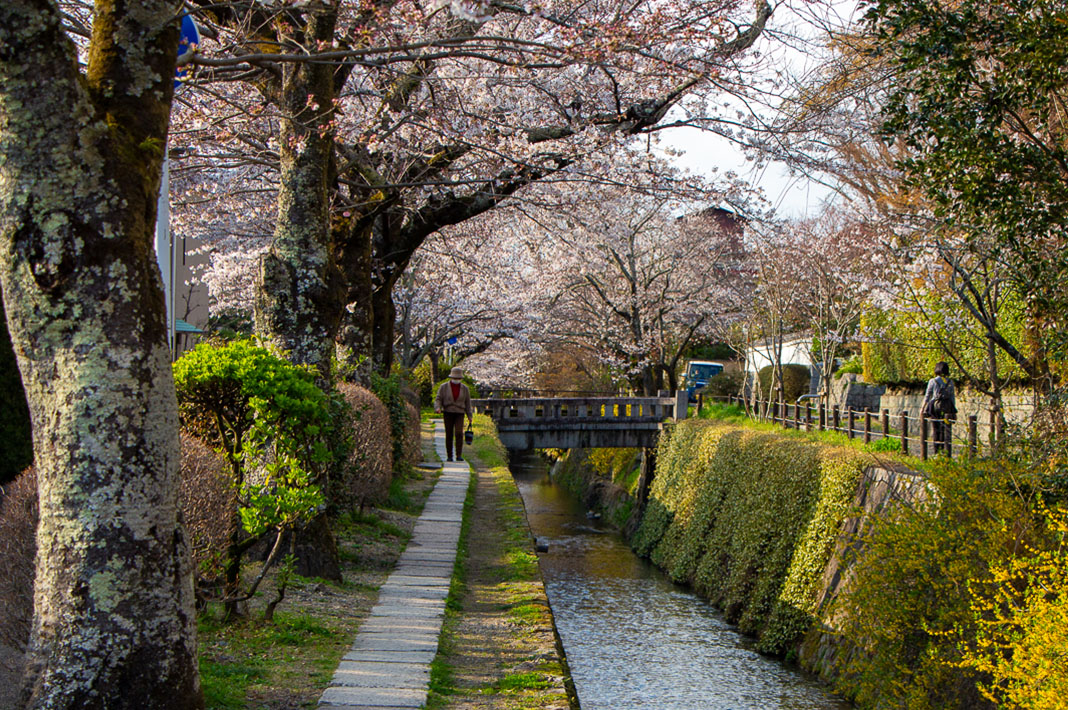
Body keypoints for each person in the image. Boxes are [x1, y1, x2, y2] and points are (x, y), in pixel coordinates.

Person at [434, 366, 473, 461]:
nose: (456, 380)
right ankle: (449, 455)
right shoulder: (444, 387)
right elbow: (438, 399)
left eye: (458, 378)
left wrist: (469, 415)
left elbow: (468, 402)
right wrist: (438, 407)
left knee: (459, 433)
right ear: (451, 378)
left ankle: (458, 455)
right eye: (455, 378)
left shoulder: (465, 389)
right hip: (448, 412)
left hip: (460, 413)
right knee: (449, 433)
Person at [922, 361, 957, 455]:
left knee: (936, 428)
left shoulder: (933, 381)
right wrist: (954, 411)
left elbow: (928, 396)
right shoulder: (950, 382)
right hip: (947, 406)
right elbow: (952, 397)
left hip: (935, 407)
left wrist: (923, 408)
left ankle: (937, 450)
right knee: (945, 428)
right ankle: (945, 450)